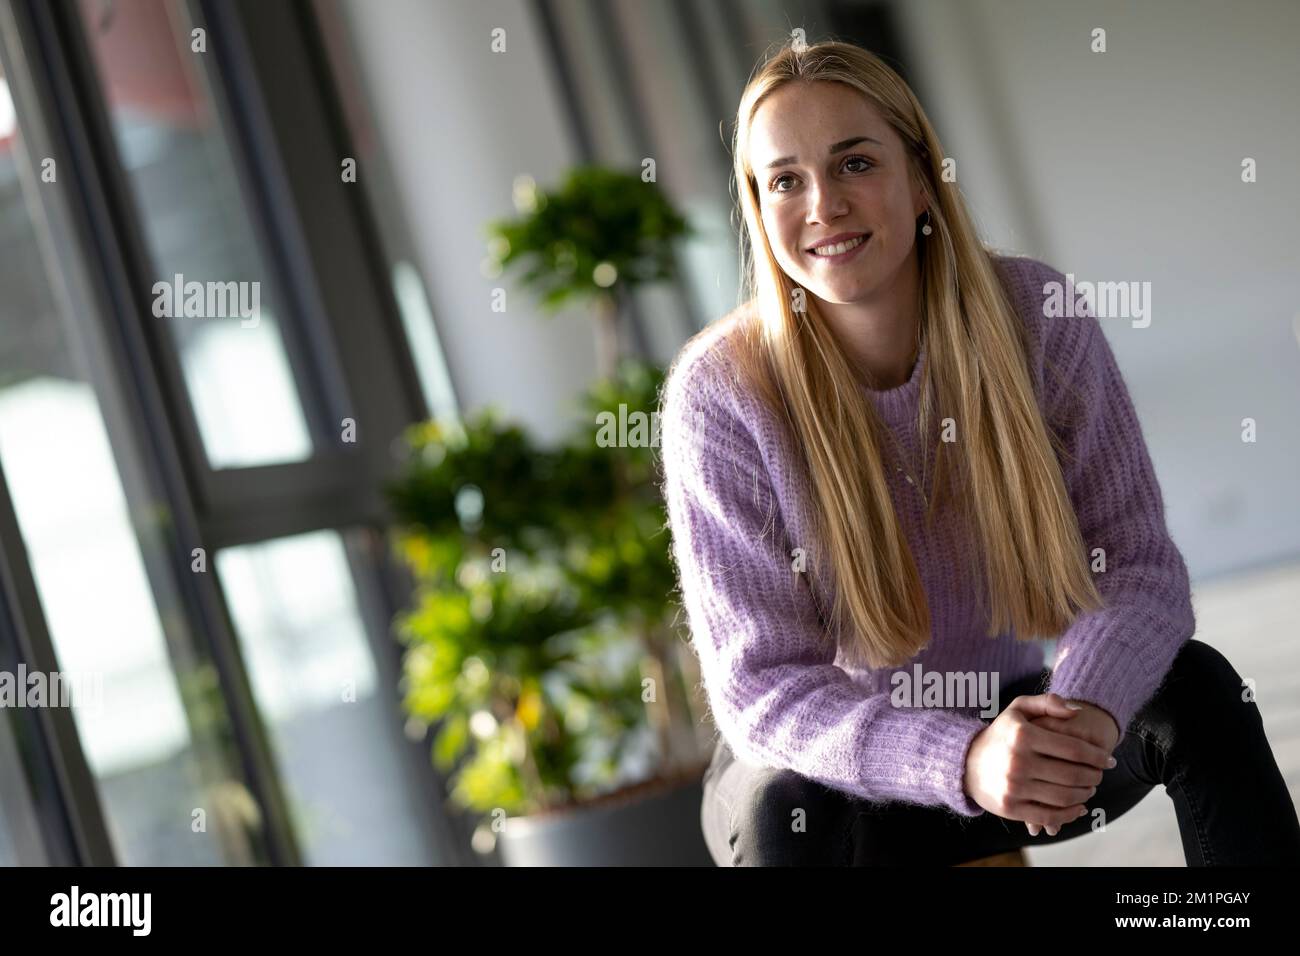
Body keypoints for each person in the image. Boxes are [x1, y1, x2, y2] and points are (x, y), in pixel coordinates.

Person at [656, 38, 1300, 866]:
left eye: (855, 163)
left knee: (1199, 689)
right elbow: (764, 689)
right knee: (788, 807)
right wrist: (960, 760)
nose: (822, 205)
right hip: (839, 767)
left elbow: (1135, 568)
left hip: (1011, 717)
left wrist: (1084, 713)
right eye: (785, 179)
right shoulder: (722, 394)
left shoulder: (1037, 318)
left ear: (922, 178)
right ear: (757, 204)